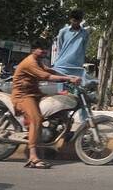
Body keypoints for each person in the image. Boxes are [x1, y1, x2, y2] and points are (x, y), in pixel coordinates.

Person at [11, 38, 80, 169]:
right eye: (41, 49)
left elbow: (50, 71)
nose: (44, 51)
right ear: (33, 50)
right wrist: (68, 79)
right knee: (36, 119)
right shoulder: (30, 62)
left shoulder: (38, 61)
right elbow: (46, 77)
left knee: (58, 103)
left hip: (35, 93)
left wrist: (70, 76)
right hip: (23, 96)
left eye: (45, 49)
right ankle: (32, 157)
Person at [51, 10, 90, 91]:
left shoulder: (85, 33)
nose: (75, 23)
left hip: (77, 67)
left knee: (75, 92)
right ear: (70, 19)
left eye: (78, 21)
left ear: (81, 20)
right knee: (59, 91)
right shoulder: (63, 31)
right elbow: (60, 47)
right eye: (74, 20)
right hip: (62, 65)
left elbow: (84, 48)